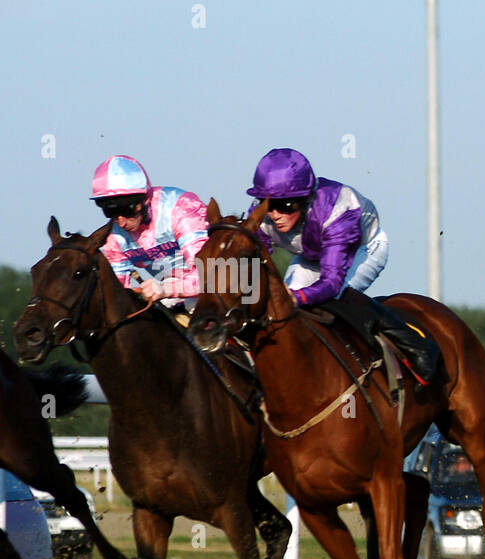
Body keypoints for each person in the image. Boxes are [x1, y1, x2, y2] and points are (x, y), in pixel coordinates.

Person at [246, 147, 437, 384]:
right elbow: (252, 265)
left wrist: (296, 298)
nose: (274, 214)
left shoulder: (338, 211)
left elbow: (332, 282)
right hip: (310, 255)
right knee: (284, 315)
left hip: (363, 249)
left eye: (285, 205)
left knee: (335, 300)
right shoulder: (261, 214)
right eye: (269, 203)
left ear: (305, 199)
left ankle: (416, 347)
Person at [89, 155, 208, 306]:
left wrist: (166, 289)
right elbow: (116, 293)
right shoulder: (114, 238)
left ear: (144, 200)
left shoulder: (181, 209)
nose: (121, 222)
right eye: (111, 213)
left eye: (126, 210)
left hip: (224, 284)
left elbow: (210, 276)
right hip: (171, 293)